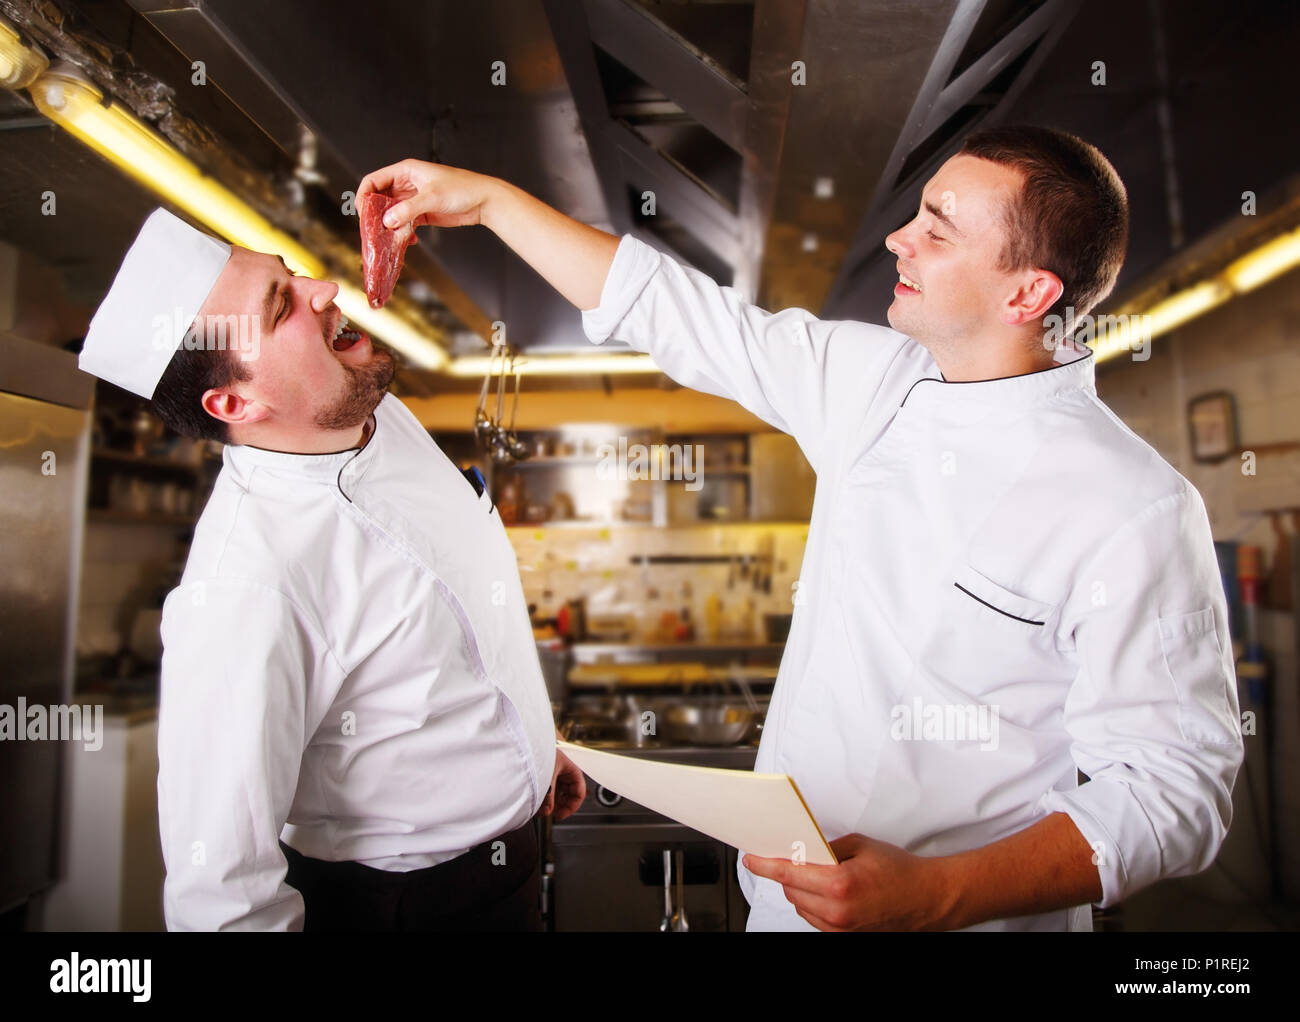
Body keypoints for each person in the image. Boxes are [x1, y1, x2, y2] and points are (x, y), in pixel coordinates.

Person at [361, 124, 1244, 931]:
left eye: (938, 228)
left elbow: (1176, 793)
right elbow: (681, 314)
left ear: (1030, 293)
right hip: (783, 914)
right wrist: (489, 200)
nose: (900, 237)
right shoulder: (876, 382)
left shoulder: (1132, 505)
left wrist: (936, 891)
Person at [77, 208, 586, 931]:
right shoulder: (244, 588)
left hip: (516, 857)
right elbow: (220, 898)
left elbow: (455, 631)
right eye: (280, 304)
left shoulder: (374, 415)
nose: (324, 287)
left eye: (290, 273)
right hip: (411, 908)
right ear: (235, 403)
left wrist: (532, 752)